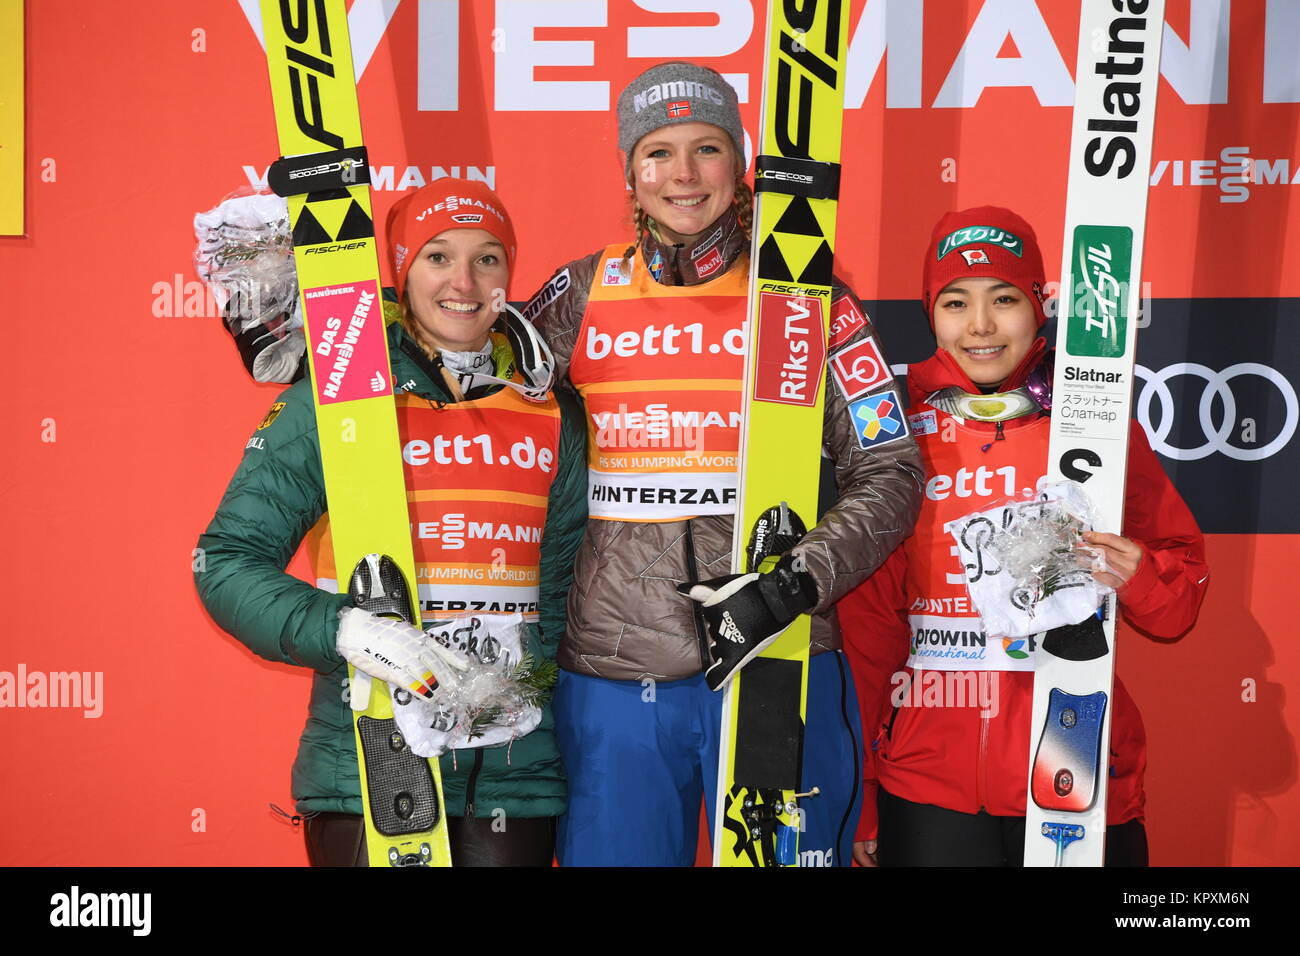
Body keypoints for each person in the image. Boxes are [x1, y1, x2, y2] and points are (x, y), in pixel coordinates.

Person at [521, 61, 925, 866]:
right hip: (612, 673)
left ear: (739, 163)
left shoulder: (809, 298)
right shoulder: (581, 291)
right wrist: (314, 331)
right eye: (658, 152)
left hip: (775, 651)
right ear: (629, 173)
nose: (683, 174)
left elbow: (892, 467)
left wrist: (797, 582)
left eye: (707, 149)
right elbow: (463, 386)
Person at [195, 179, 587, 866]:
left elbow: (557, 600)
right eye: (437, 256)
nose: (464, 281)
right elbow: (225, 562)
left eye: (487, 258)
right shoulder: (339, 399)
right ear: (403, 272)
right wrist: (347, 630)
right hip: (366, 765)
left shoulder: (551, 408)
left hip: (511, 778)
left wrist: (527, 709)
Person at [840, 206, 1210, 867]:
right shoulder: (898, 440)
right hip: (930, 779)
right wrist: (863, 791)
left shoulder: (1093, 429)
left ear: (1039, 305)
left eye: (1003, 299)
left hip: (1075, 755)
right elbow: (870, 631)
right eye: (956, 302)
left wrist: (1140, 574)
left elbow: (1179, 603)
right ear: (932, 312)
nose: (980, 326)